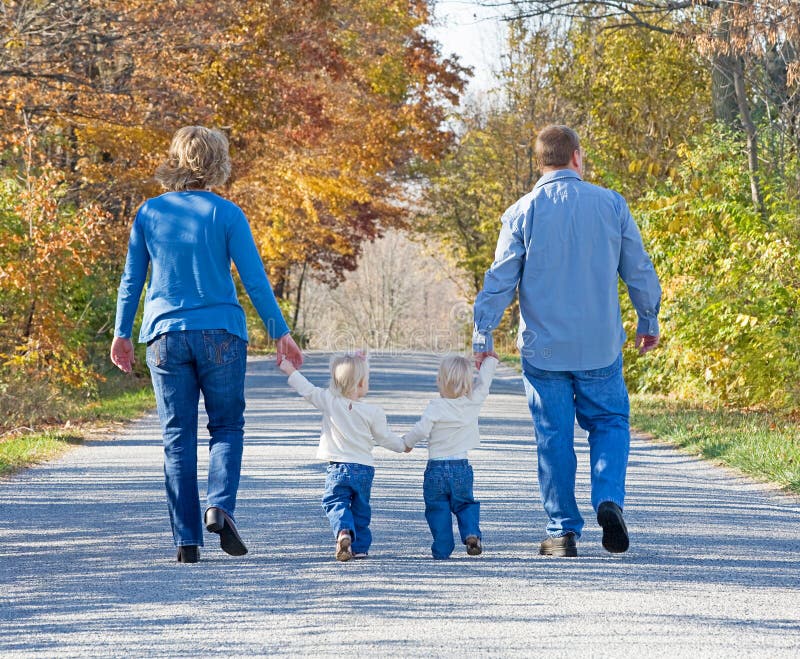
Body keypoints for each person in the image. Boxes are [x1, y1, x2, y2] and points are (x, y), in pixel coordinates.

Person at [110, 126, 303, 564]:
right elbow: (254, 279)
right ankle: (219, 507)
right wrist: (280, 332)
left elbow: (131, 280)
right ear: (218, 163)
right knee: (227, 427)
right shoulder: (227, 213)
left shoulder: (149, 213)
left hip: (164, 335)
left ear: (175, 159)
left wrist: (122, 332)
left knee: (177, 436)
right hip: (222, 335)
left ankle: (186, 541)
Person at [472, 125, 661, 557]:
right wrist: (647, 318)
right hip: (599, 346)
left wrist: (483, 333)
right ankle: (608, 499)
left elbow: (499, 279)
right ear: (577, 156)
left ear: (540, 161)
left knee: (553, 436)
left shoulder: (521, 212)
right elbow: (638, 268)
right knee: (609, 422)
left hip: (544, 350)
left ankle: (561, 533)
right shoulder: (611, 204)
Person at [278, 352, 406, 561]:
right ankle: (360, 548)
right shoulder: (373, 411)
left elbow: (307, 389)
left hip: (338, 468)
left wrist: (290, 370)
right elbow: (384, 437)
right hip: (364, 469)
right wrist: (403, 445)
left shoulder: (329, 401)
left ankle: (344, 531)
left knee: (336, 501)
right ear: (362, 383)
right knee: (361, 509)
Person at [403, 353, 498, 559]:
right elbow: (484, 384)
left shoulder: (436, 406)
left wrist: (407, 443)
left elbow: (421, 430)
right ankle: (471, 534)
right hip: (461, 468)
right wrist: (490, 361)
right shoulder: (472, 401)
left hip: (436, 470)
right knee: (465, 504)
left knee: (437, 509)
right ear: (468, 383)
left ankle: (442, 549)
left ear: (440, 380)